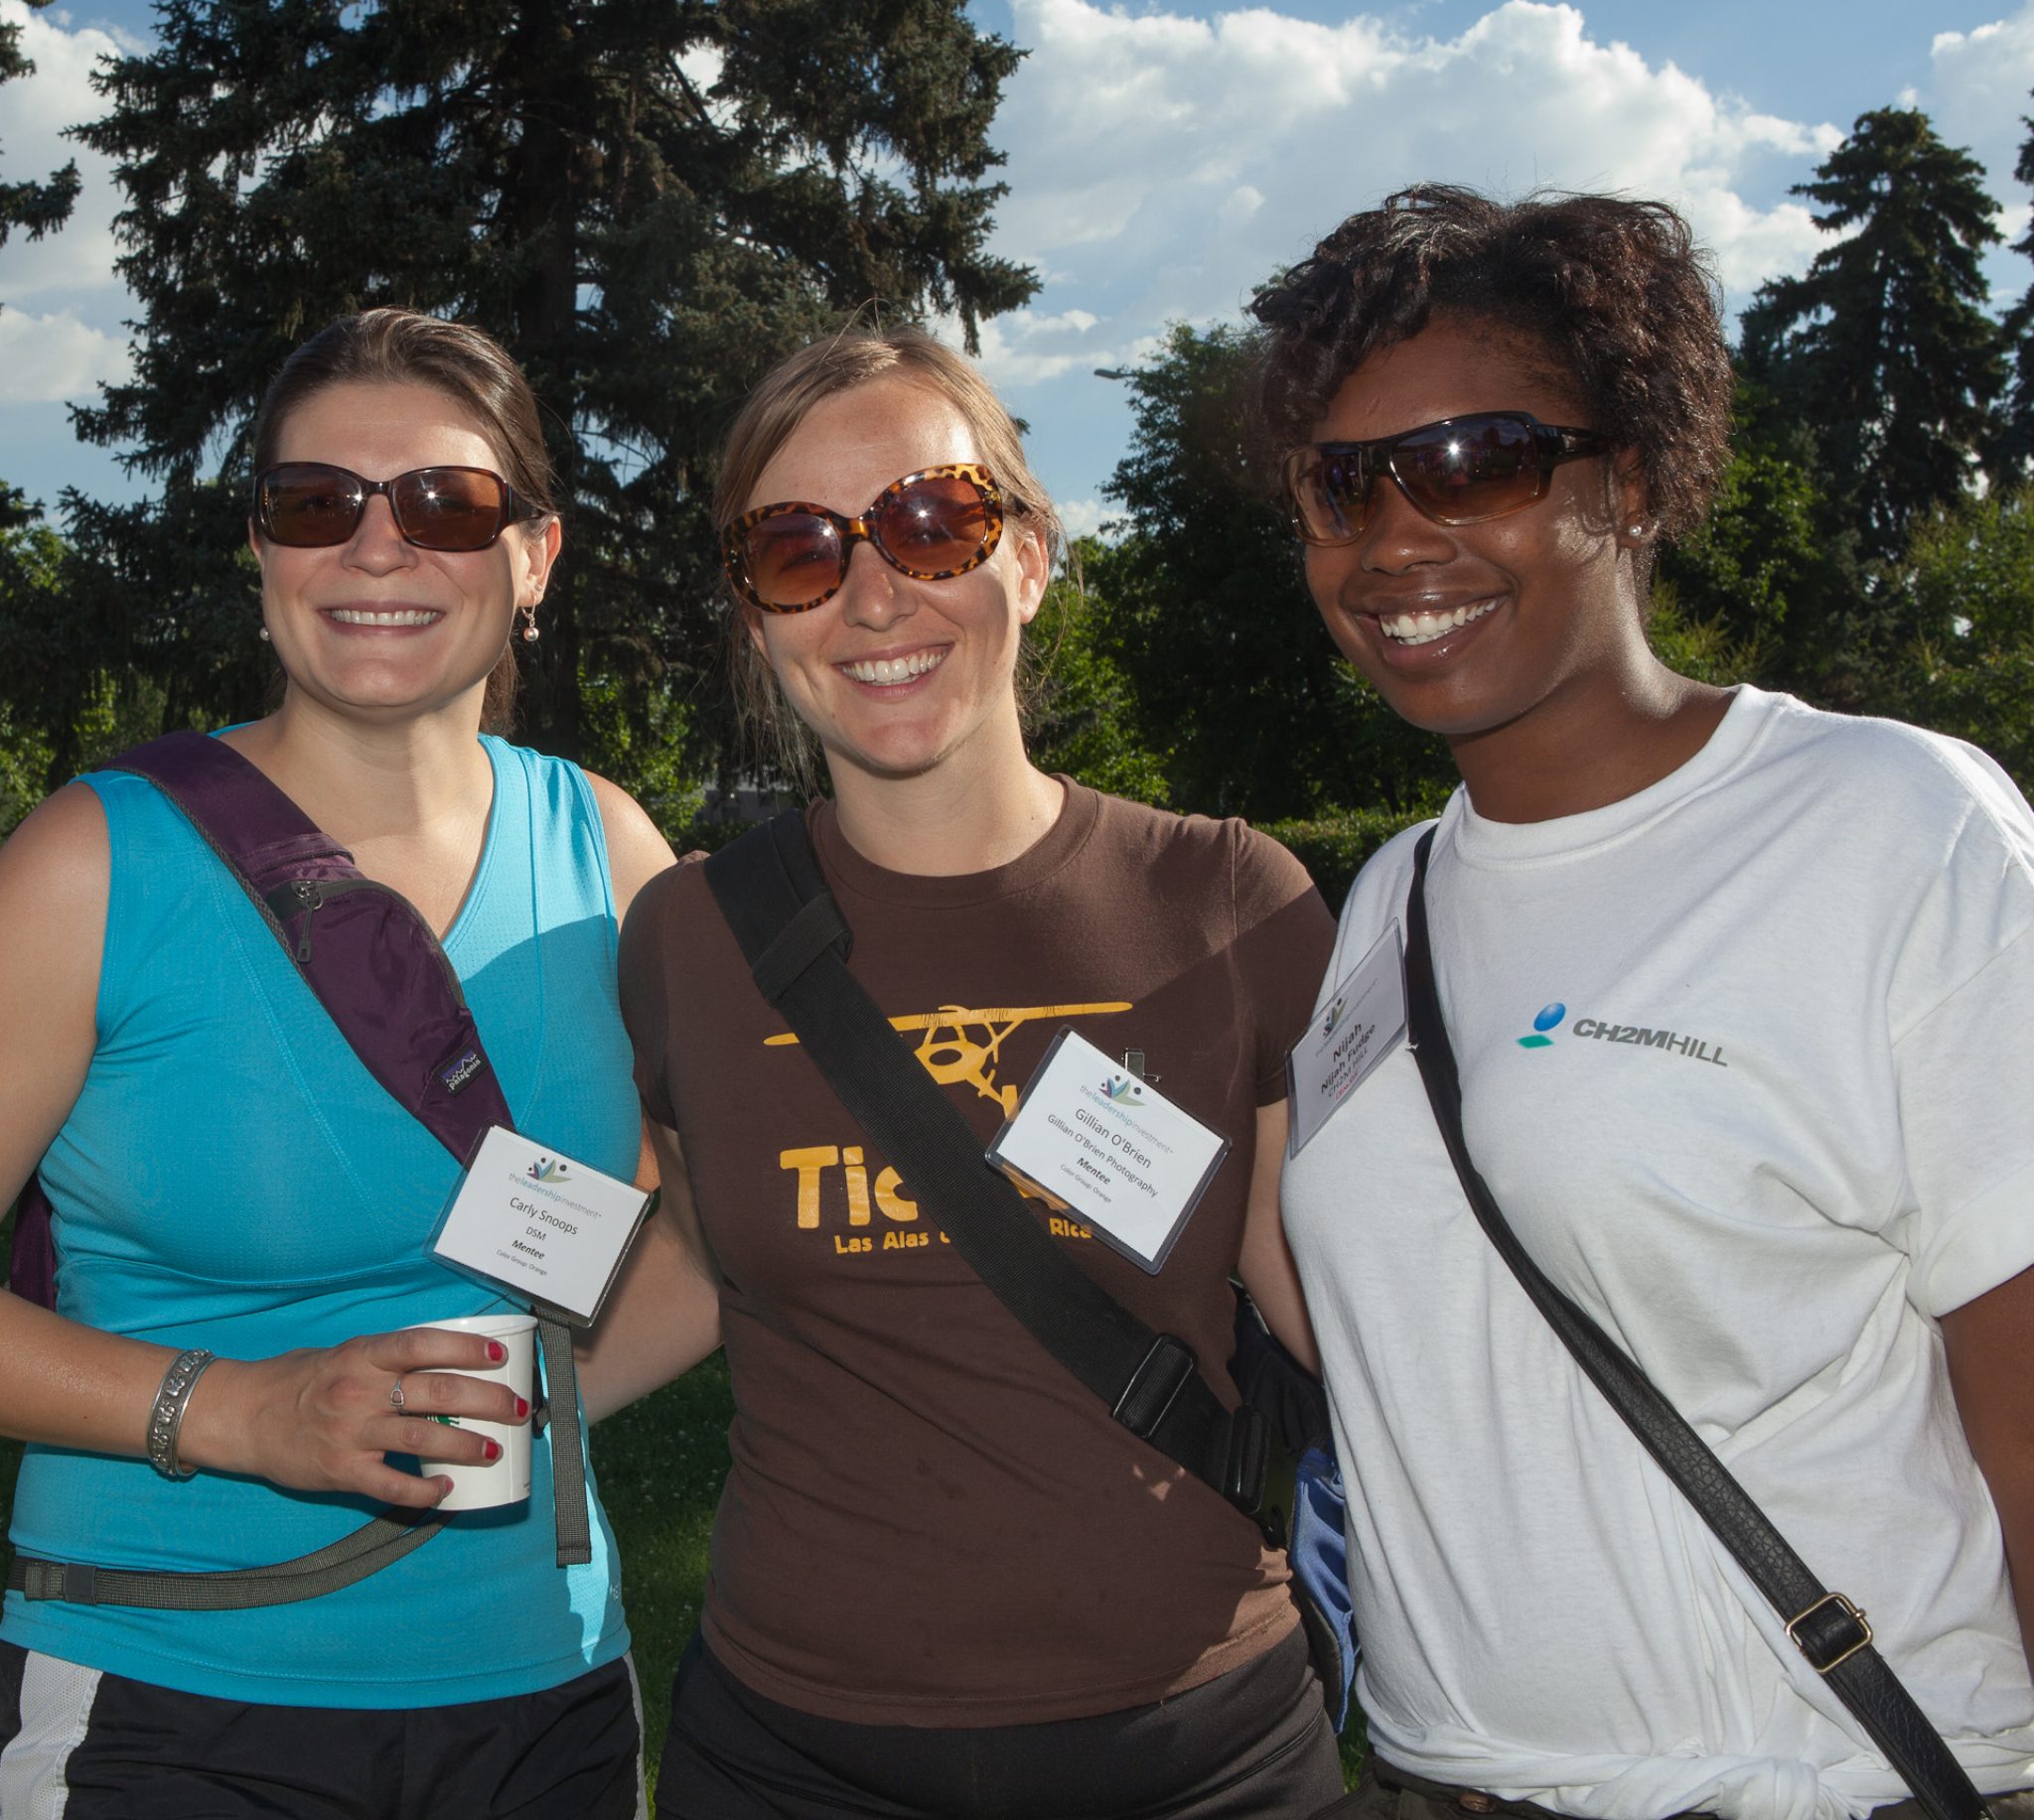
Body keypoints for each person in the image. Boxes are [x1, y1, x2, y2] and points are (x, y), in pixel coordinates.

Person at [1251, 186, 2034, 1819]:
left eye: (1477, 460)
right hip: (1433, 1780)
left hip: (1813, 1783)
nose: (1399, 534)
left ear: (1635, 476)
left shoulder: (1892, 828)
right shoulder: (1386, 901)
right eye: (1342, 483)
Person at [617, 325, 1348, 1819]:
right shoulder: (689, 935)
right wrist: (417, 1392)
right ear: (756, 615)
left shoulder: (1231, 901)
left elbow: (1323, 1294)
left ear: (1027, 556)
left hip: (1199, 1749)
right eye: (801, 548)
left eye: (931, 522)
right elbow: (701, 1259)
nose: (875, 593)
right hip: (792, 1759)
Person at [0, 309, 685, 1817]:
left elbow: (702, 1241)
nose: (379, 550)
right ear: (262, 551)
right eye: (319, 503)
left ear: (536, 559)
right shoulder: (93, 864)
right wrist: (237, 1412)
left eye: (446, 504)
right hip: (169, 1694)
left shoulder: (608, 851)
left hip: (547, 1695)